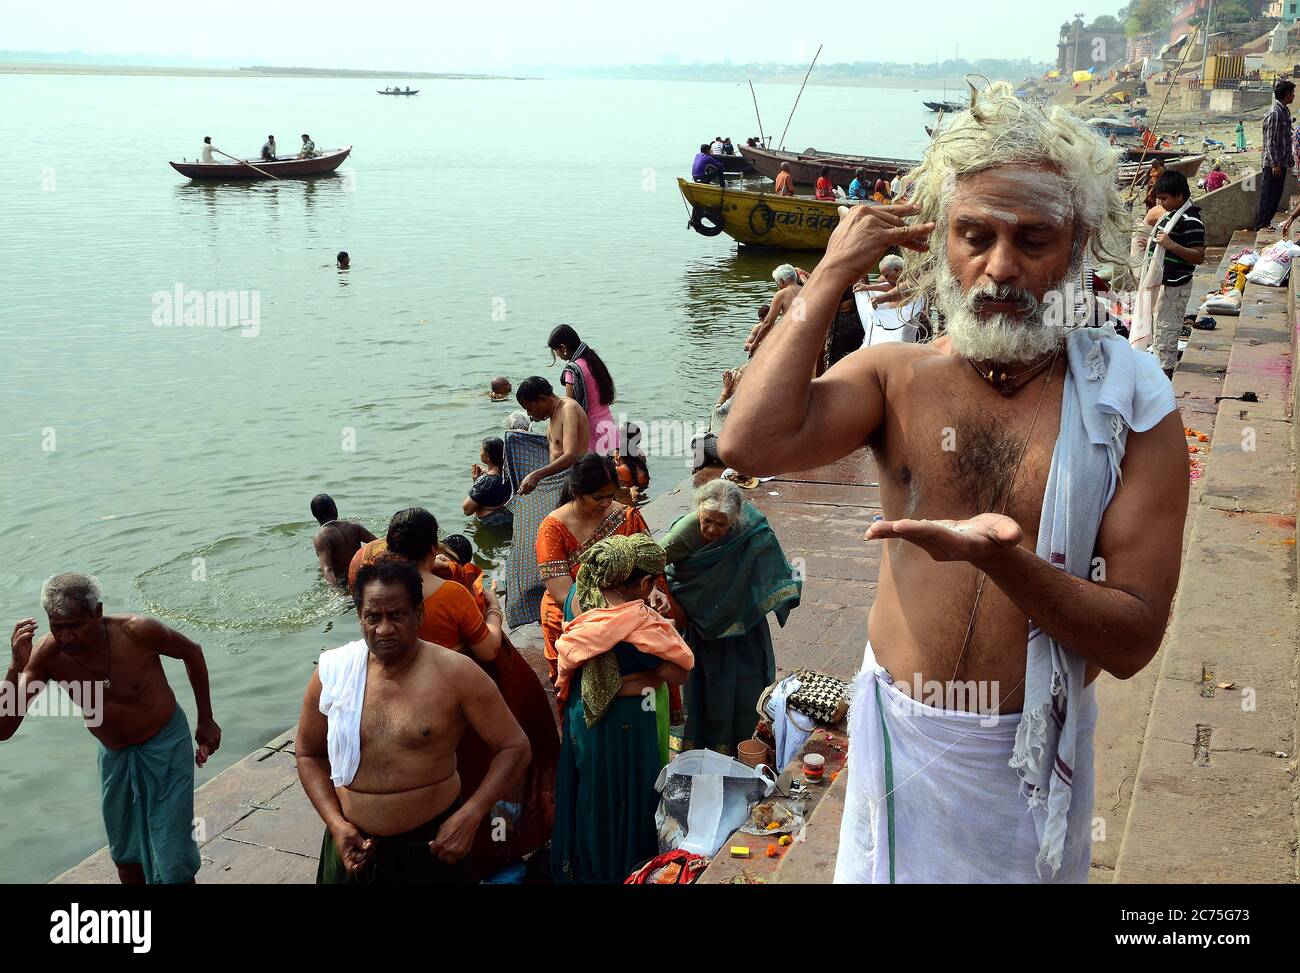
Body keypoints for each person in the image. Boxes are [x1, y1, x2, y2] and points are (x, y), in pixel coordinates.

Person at [720, 83, 1186, 884]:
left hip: (1027, 761)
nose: (1000, 267)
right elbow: (747, 437)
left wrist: (1013, 567)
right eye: (974, 235)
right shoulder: (895, 377)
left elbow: (1136, 637)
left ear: (1077, 247)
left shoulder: (1132, 405)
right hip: (898, 741)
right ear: (941, 241)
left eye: (1034, 238)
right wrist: (831, 273)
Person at [295, 559, 531, 884]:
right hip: (352, 846)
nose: (384, 629)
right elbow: (309, 753)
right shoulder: (332, 673)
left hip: (431, 847)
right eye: (373, 617)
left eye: (397, 615)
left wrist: (471, 815)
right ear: (359, 617)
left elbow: (514, 747)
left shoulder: (456, 673)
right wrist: (335, 823)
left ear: (419, 613)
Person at [3, 573, 221, 884]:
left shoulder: (138, 631)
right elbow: (4, 727)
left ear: (97, 612)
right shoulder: (48, 654)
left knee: (172, 861)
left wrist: (206, 719)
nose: (67, 637)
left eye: (75, 626)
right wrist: (15, 667)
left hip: (165, 745)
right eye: (57, 627)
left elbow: (192, 652)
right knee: (126, 856)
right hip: (115, 756)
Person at [551, 534, 693, 884]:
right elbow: (678, 672)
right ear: (643, 583)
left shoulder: (577, 596)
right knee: (627, 798)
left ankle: (581, 869)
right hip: (627, 720)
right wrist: (657, 656)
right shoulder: (637, 624)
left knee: (590, 793)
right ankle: (623, 871)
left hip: (584, 714)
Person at [662, 480, 801, 754]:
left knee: (746, 684)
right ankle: (703, 747)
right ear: (698, 513)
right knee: (706, 687)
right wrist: (676, 606)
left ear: (736, 520)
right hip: (702, 626)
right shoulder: (684, 533)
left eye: (721, 524)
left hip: (742, 624)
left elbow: (772, 567)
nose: (712, 529)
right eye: (706, 520)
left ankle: (746, 742)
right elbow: (649, 561)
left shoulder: (752, 530)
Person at [536, 453, 665, 686]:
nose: (606, 504)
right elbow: (563, 594)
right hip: (573, 615)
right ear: (576, 492)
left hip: (627, 608)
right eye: (597, 498)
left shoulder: (626, 516)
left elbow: (649, 565)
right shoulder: (552, 528)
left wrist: (653, 589)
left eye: (610, 496)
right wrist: (617, 617)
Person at [1145, 170, 1205, 378]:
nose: (1161, 204)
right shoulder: (1171, 215)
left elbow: (1198, 256)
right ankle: (1159, 366)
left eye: (1164, 199)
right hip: (1164, 282)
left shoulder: (1190, 220)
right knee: (1157, 325)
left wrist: (1170, 244)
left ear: (1179, 196)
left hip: (1176, 285)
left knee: (1167, 328)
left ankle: (1165, 371)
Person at [548, 324, 618, 454]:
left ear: (563, 348)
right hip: (609, 426)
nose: (556, 355)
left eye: (555, 350)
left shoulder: (573, 371)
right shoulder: (593, 360)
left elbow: (569, 408)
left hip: (591, 433)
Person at [514, 376, 589, 494]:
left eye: (530, 408)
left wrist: (537, 475)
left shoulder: (568, 409)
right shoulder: (553, 412)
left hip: (575, 480)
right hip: (558, 479)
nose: (529, 413)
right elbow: (556, 445)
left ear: (542, 399)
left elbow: (571, 454)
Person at [1253, 79, 1295, 231]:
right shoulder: (1275, 114)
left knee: (1276, 194)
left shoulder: (1285, 112)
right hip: (1273, 164)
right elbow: (1270, 141)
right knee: (1268, 194)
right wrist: (1274, 163)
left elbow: (1285, 138)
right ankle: (1262, 224)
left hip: (1282, 162)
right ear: (1286, 94)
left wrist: (1288, 158)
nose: (1294, 95)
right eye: (1292, 93)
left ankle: (1266, 222)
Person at [311, 494, 376, 588]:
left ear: (314, 515)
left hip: (343, 581)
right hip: (363, 574)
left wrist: (337, 593)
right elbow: (379, 543)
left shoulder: (321, 537)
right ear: (334, 509)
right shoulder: (354, 526)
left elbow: (327, 569)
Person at [745, 263, 802, 355]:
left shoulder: (782, 293)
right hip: (806, 334)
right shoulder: (805, 289)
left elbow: (768, 323)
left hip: (790, 336)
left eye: (777, 282)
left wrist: (755, 343)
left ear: (782, 281)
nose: (777, 285)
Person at [463, 436, 513, 530]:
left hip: (490, 524)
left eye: (481, 450)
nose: (480, 452)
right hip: (507, 516)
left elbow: (467, 510)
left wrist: (477, 483)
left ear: (488, 458)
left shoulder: (485, 481)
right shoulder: (510, 472)